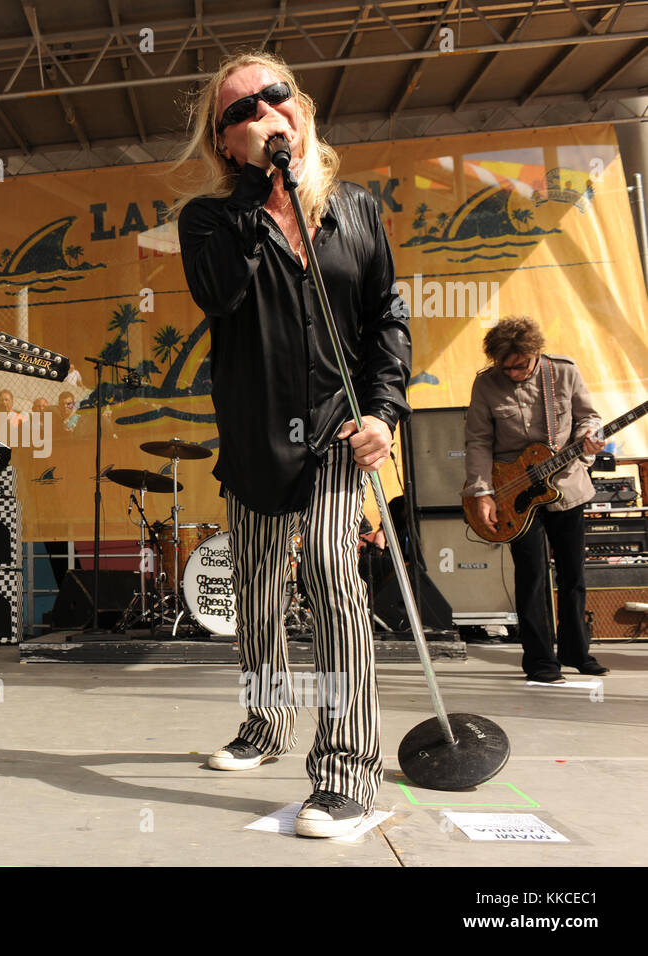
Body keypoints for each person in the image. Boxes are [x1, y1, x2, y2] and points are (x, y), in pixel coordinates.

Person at [175, 51, 410, 837]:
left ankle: (347, 771)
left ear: (302, 108)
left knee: (335, 577)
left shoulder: (358, 210)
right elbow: (218, 292)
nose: (262, 115)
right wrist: (257, 190)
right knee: (258, 595)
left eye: (273, 98)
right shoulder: (209, 221)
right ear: (223, 143)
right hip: (254, 437)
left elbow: (385, 322)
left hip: (341, 429)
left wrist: (383, 410)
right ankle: (266, 724)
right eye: (238, 113)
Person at [463, 316, 609, 682]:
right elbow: (478, 440)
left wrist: (590, 435)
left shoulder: (563, 371)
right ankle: (541, 661)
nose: (512, 372)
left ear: (536, 353)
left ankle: (578, 652)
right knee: (531, 577)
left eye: (520, 365)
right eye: (505, 366)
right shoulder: (485, 384)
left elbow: (588, 417)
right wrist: (482, 492)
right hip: (515, 491)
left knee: (573, 575)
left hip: (567, 485)